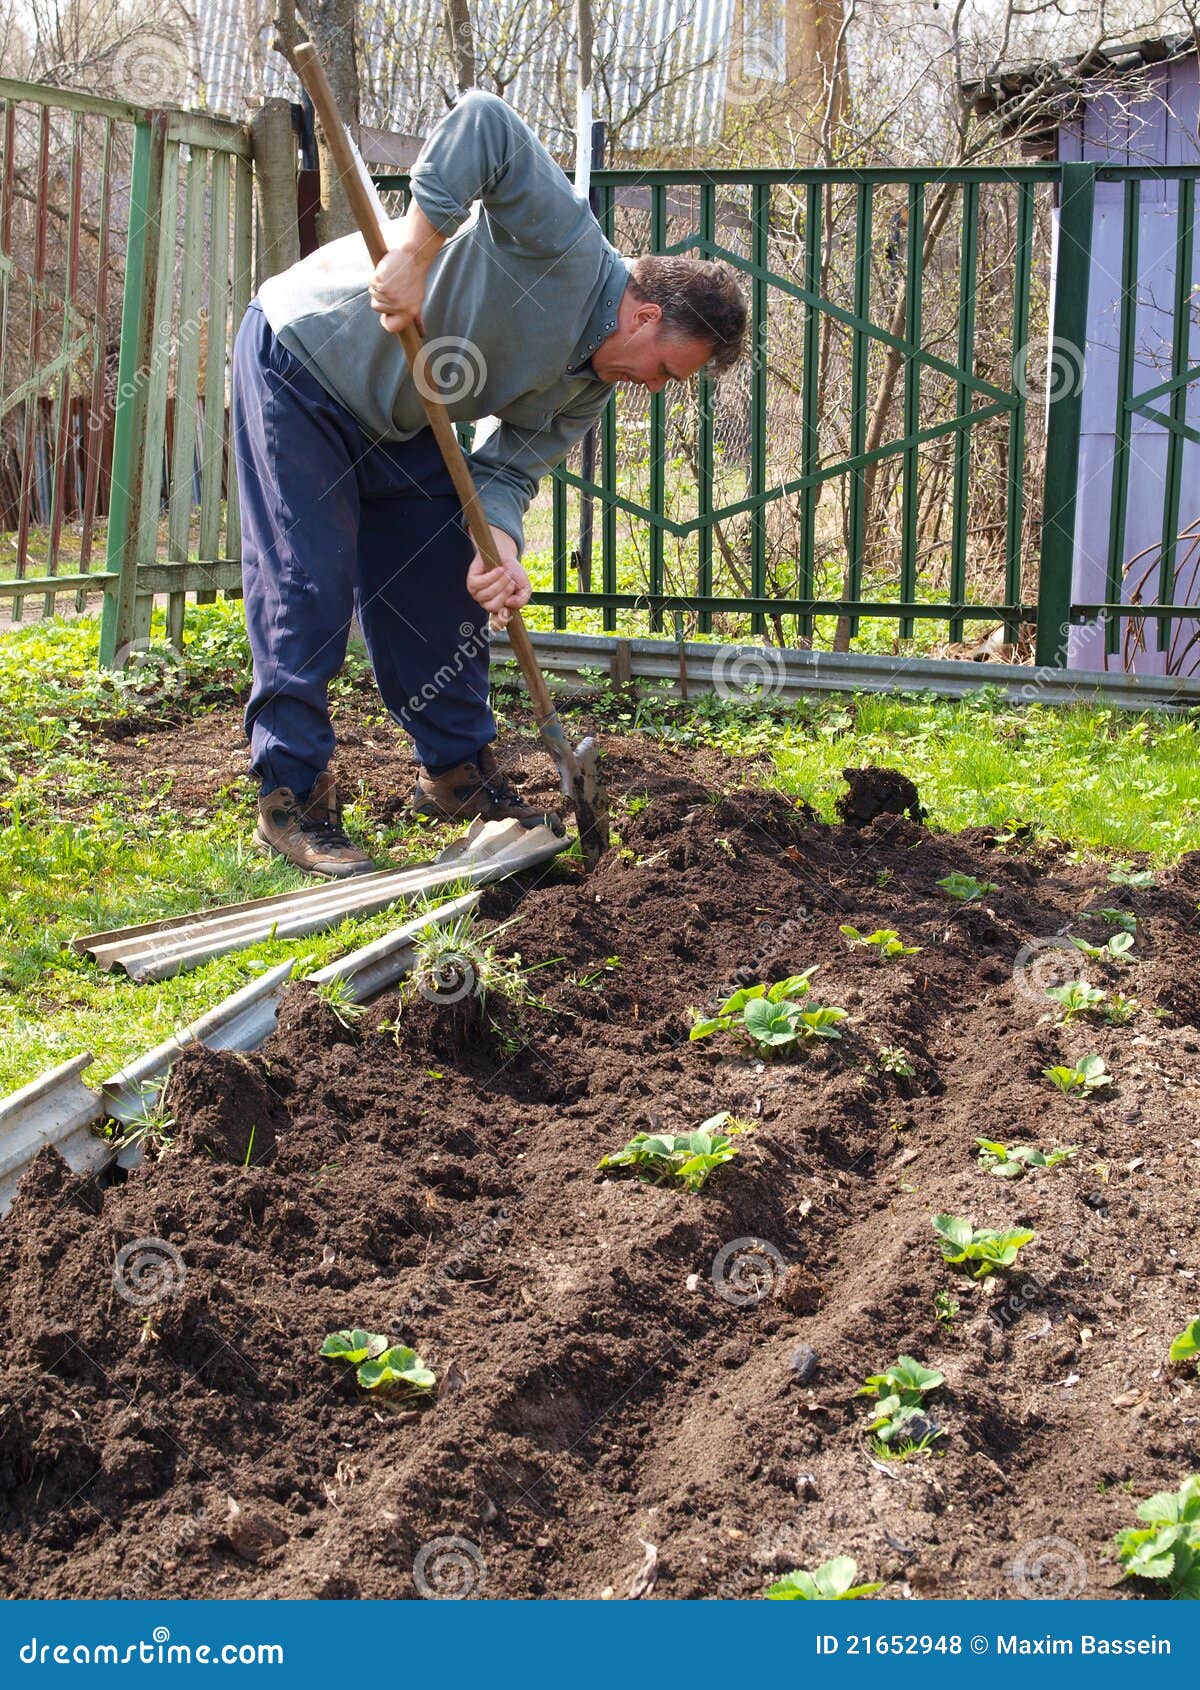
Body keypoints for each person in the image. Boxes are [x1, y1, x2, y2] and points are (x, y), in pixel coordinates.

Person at [232, 89, 746, 876]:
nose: (654, 389)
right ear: (643, 316)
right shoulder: (565, 243)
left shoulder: (590, 386)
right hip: (307, 362)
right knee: (310, 584)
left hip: (402, 417)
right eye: (666, 371)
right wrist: (413, 249)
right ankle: (290, 795)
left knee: (446, 572)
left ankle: (456, 774)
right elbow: (485, 123)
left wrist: (497, 548)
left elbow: (505, 468)